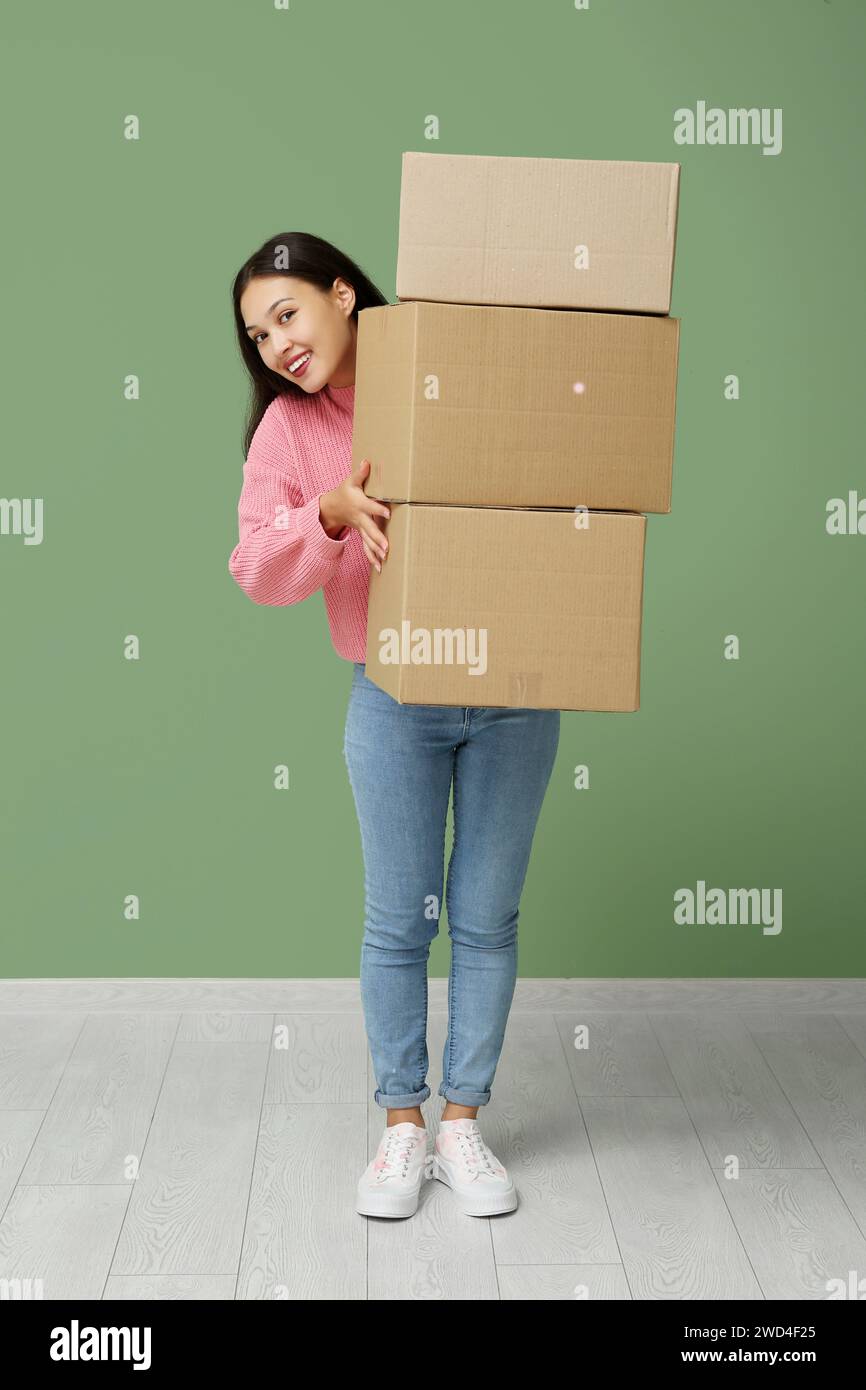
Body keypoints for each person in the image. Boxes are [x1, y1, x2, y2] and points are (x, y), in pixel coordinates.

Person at [228, 232, 560, 1219]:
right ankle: (401, 1128)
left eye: (286, 313)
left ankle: (463, 1122)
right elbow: (253, 567)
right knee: (396, 919)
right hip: (391, 698)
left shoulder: (446, 372)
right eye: (256, 335)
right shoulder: (289, 433)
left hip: (512, 687)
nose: (277, 344)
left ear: (340, 294)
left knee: (487, 916)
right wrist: (324, 516)